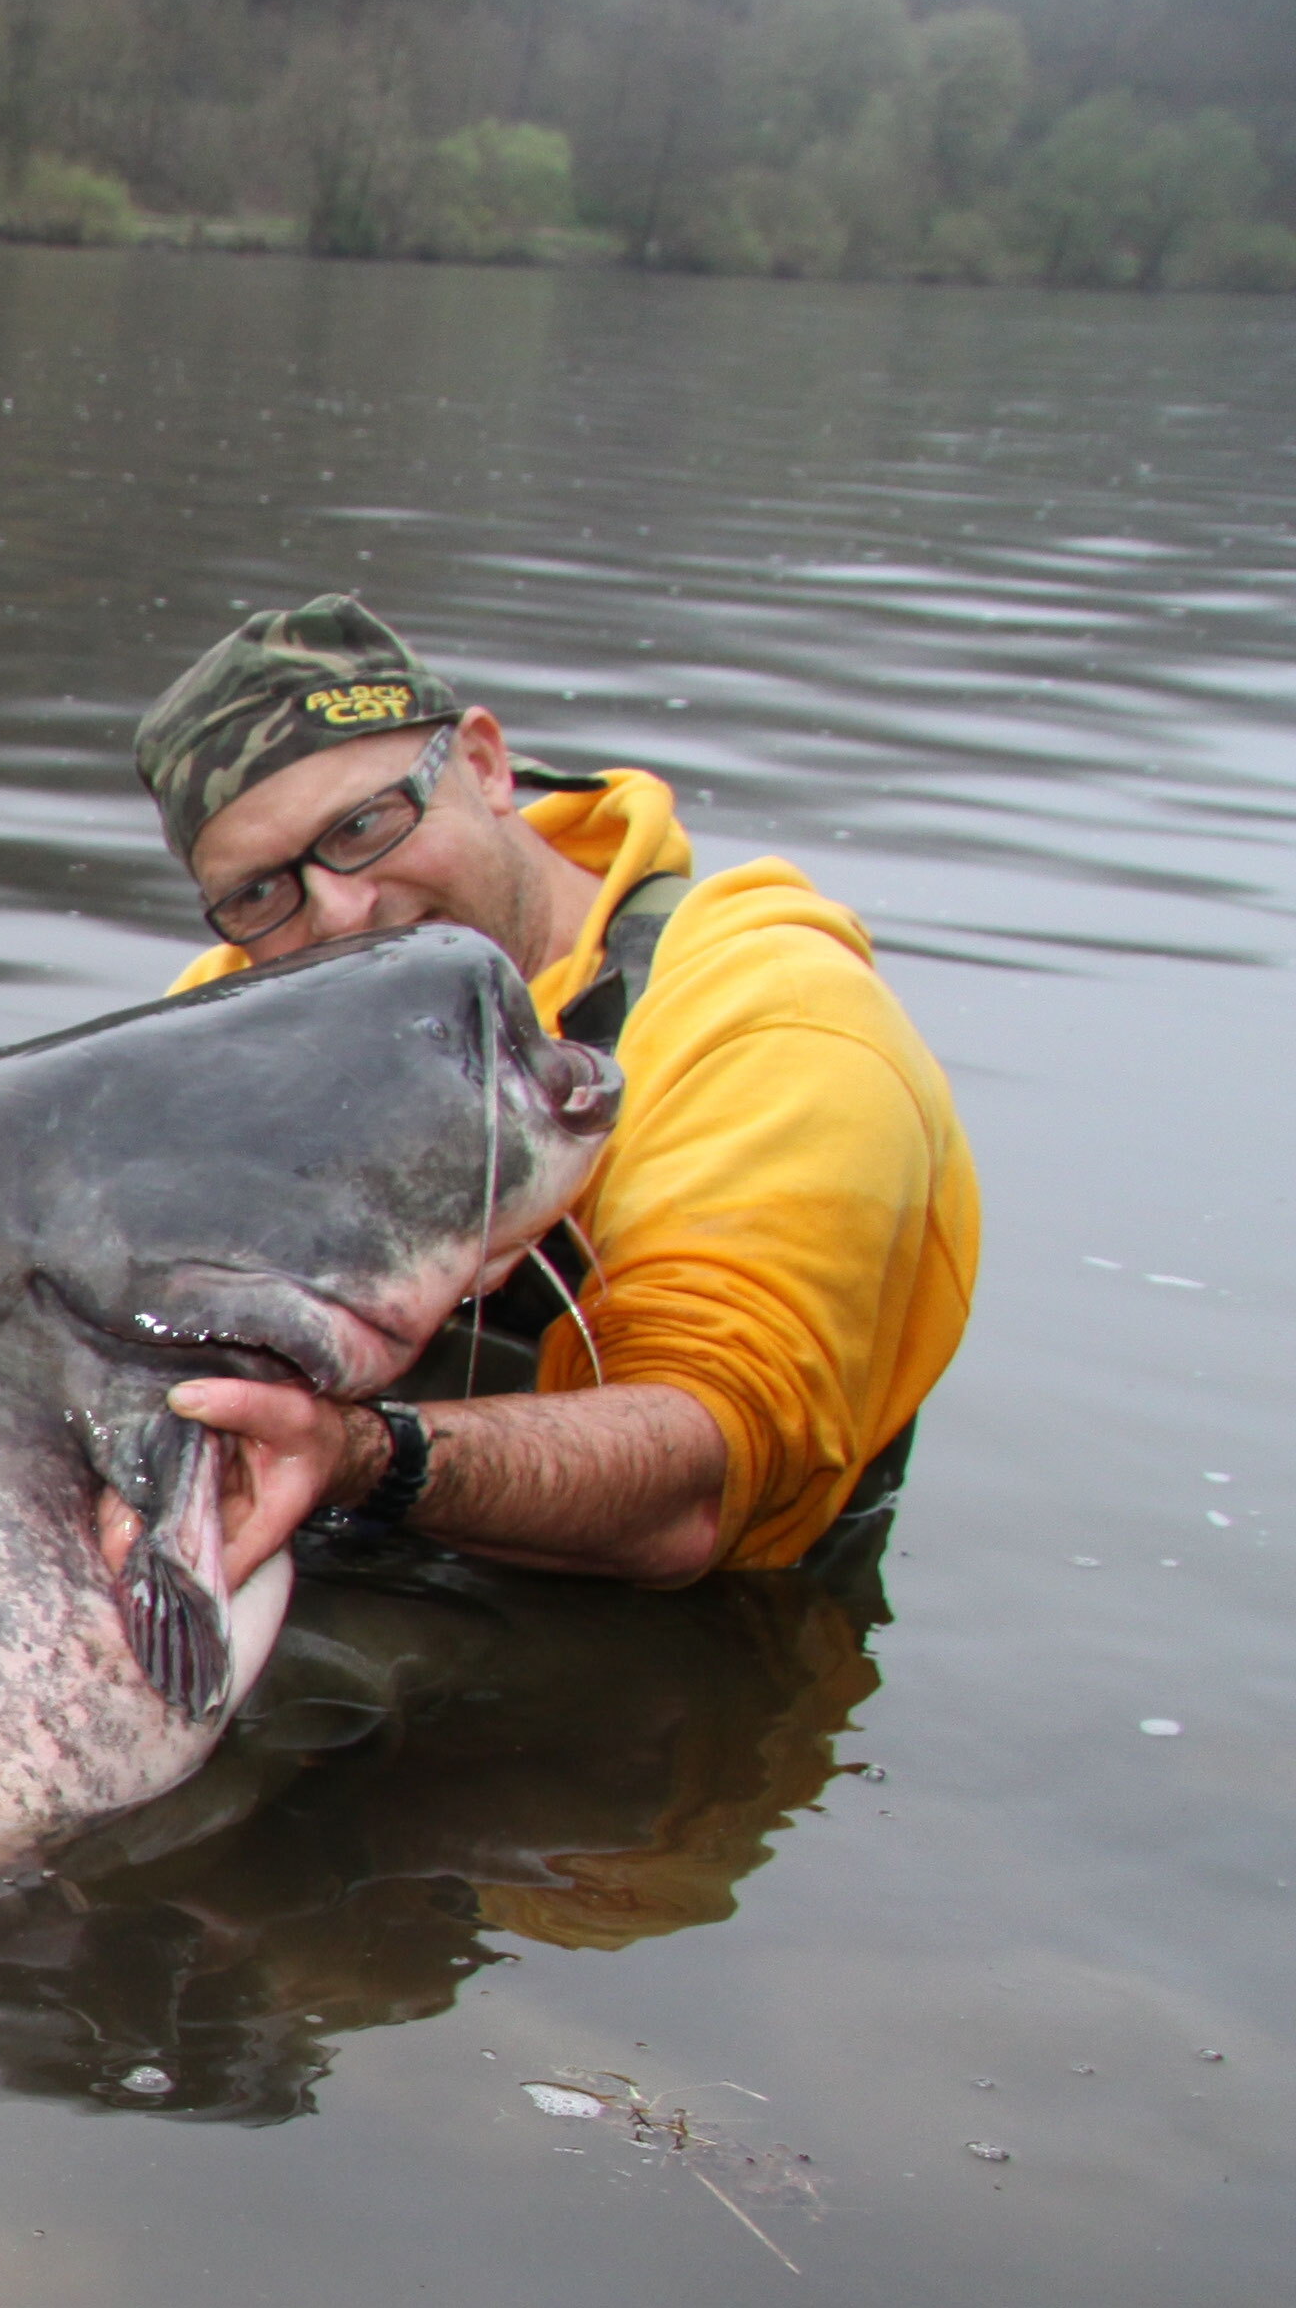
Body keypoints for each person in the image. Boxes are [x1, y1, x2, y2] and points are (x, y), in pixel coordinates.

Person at [129, 595, 978, 1589]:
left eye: (365, 825)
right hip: (321, 1540)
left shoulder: (772, 1015)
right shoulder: (226, 1018)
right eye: (262, 893)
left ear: (484, 764)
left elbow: (702, 1488)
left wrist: (363, 1459)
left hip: (671, 1612)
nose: (344, 913)